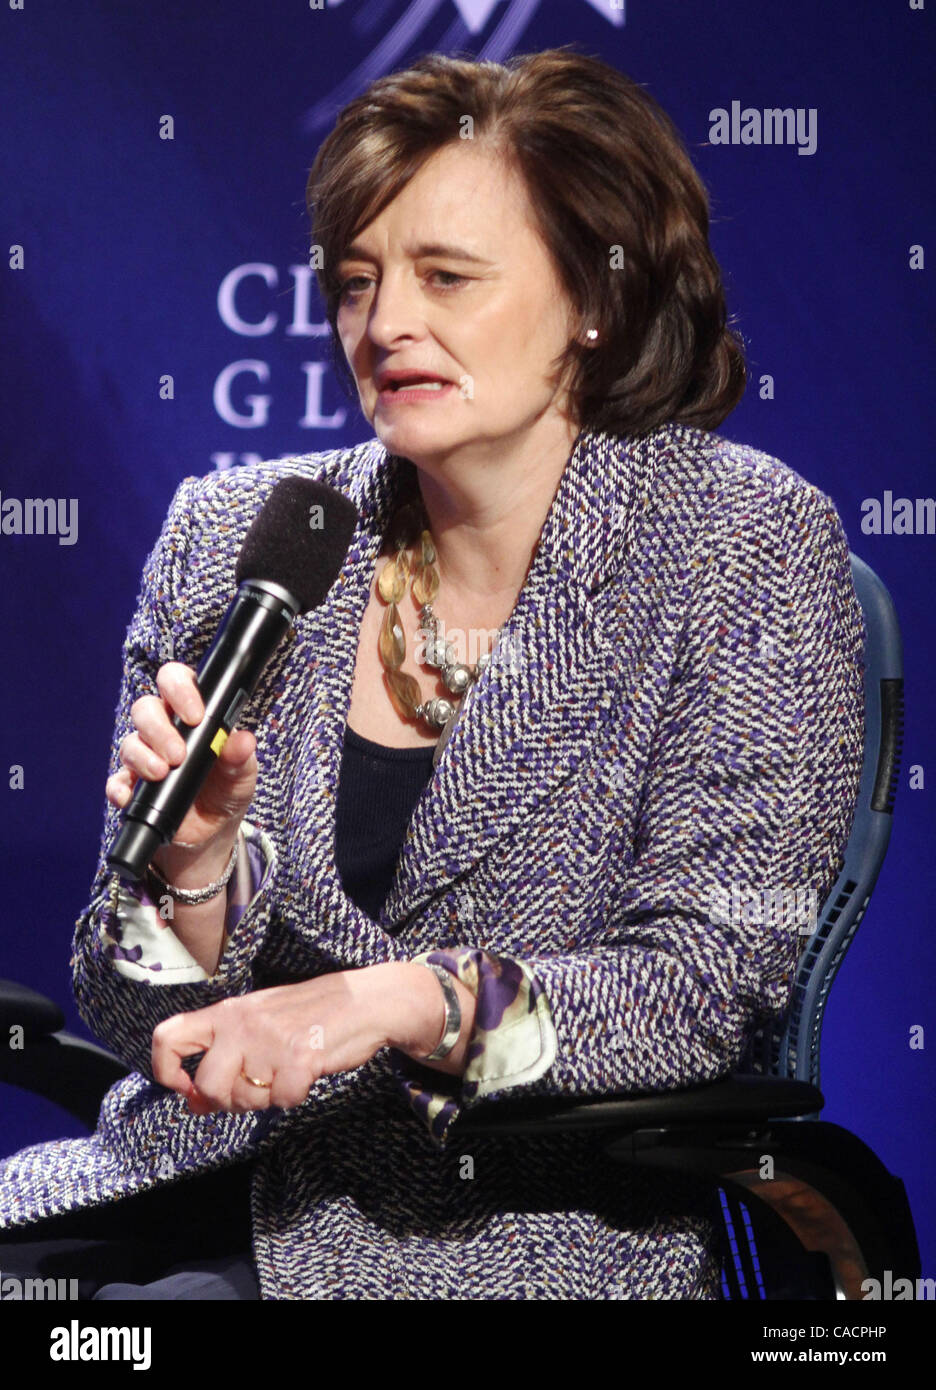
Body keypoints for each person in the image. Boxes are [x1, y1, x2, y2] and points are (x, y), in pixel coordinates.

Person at [0, 46, 864, 1299]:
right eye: (356, 283)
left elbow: (699, 991)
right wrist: (193, 879)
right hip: (179, 1187)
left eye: (446, 276)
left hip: (496, 1229)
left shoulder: (737, 544)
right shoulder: (243, 536)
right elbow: (133, 1018)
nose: (386, 323)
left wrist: (403, 1003)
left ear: (595, 295)